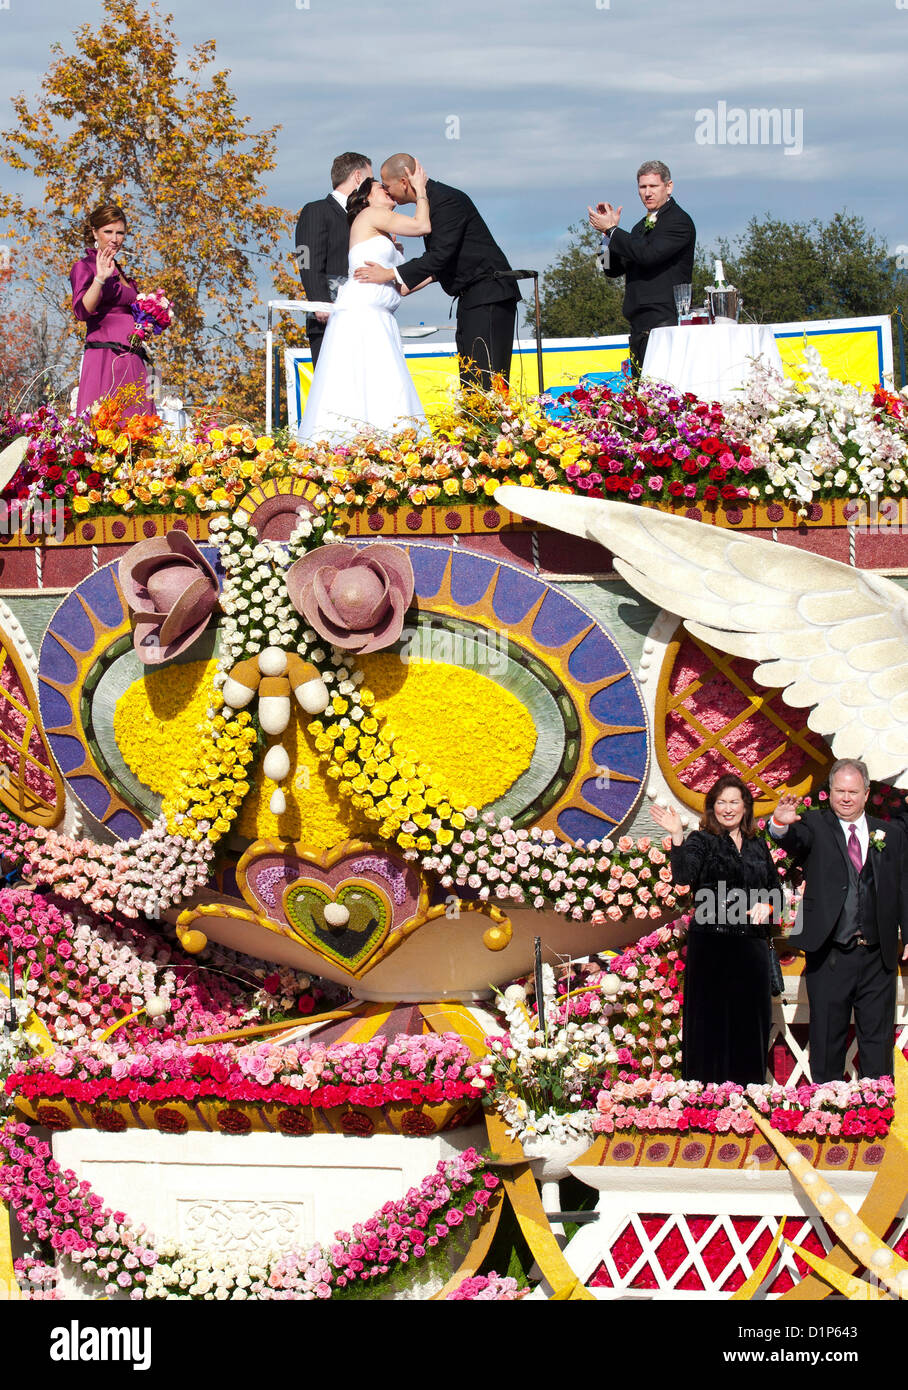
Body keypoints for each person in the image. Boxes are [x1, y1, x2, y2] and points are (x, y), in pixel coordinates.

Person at [770, 759, 908, 1083]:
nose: (846, 798)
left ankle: (877, 1116)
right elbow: (792, 840)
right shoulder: (814, 825)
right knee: (827, 1041)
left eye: (853, 791)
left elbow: (903, 885)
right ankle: (827, 1118)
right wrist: (780, 824)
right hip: (829, 954)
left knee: (876, 1043)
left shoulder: (890, 834)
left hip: (878, 956)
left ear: (866, 793)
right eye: (839, 791)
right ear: (830, 792)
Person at [651, 774, 778, 1085]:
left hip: (752, 948)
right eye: (721, 802)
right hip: (712, 946)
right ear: (712, 807)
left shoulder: (758, 845)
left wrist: (769, 906)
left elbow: (775, 889)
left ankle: (748, 1097)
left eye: (734, 802)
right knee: (711, 1023)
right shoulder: (701, 840)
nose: (728, 808)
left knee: (750, 1023)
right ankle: (707, 1099)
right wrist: (678, 835)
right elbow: (683, 876)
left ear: (746, 806)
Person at [354, 154, 518, 391]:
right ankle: (478, 425)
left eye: (387, 186)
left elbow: (439, 256)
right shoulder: (432, 203)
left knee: (487, 377)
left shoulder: (445, 201)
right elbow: (442, 264)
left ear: (403, 181)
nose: (387, 192)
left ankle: (494, 425)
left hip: (489, 294)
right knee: (471, 377)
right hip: (472, 297)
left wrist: (389, 274)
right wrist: (404, 286)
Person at [296, 163, 432, 444]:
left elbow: (403, 284)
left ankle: (382, 445)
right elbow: (305, 256)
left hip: (382, 316)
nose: (388, 189)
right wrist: (420, 190)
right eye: (381, 186)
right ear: (366, 194)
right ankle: (351, 444)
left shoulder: (385, 232)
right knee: (356, 384)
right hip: (359, 313)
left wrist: (441, 268)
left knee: (383, 386)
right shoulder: (366, 215)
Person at [588, 160, 695, 377]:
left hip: (664, 322)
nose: (647, 193)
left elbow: (648, 255)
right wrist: (606, 236)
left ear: (669, 186)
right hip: (638, 324)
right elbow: (609, 269)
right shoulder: (638, 228)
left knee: (661, 391)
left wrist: (613, 230)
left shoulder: (678, 222)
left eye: (653, 186)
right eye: (642, 187)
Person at [70, 203, 153, 418]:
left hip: (133, 358)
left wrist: (146, 325)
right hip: (105, 357)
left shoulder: (122, 272)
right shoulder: (85, 266)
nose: (114, 238)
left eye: (120, 233)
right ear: (94, 232)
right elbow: (81, 311)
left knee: (140, 428)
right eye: (108, 231)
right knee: (104, 427)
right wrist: (99, 279)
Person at [295, 152, 373, 368]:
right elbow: (305, 257)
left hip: (359, 314)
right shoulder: (317, 210)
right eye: (370, 179)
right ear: (358, 177)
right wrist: (319, 301)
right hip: (328, 316)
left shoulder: (361, 218)